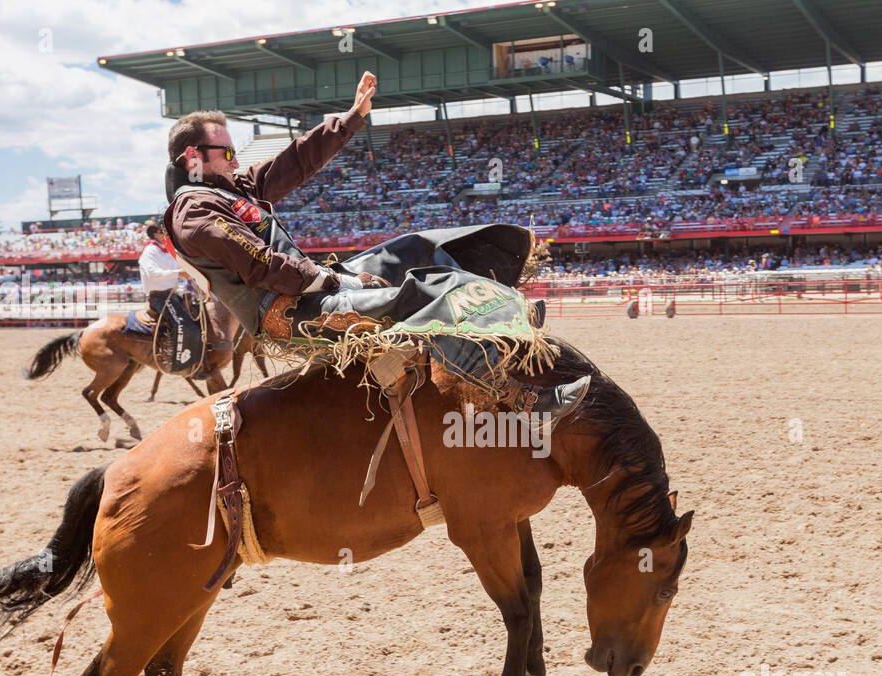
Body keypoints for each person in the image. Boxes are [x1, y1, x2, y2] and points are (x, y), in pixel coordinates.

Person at [162, 70, 587, 423]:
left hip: (309, 286)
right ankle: (516, 400)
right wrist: (330, 279)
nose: (237, 160)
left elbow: (295, 160)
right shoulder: (194, 212)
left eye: (236, 151)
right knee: (416, 296)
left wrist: (350, 119)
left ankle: (494, 301)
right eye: (227, 151)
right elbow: (259, 265)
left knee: (412, 248)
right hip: (285, 312)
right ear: (192, 158)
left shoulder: (233, 189)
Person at [137, 221, 184, 321]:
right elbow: (153, 274)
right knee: (184, 325)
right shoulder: (150, 251)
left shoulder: (168, 250)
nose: (168, 234)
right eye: (163, 231)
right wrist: (179, 273)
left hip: (171, 295)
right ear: (156, 235)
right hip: (160, 298)